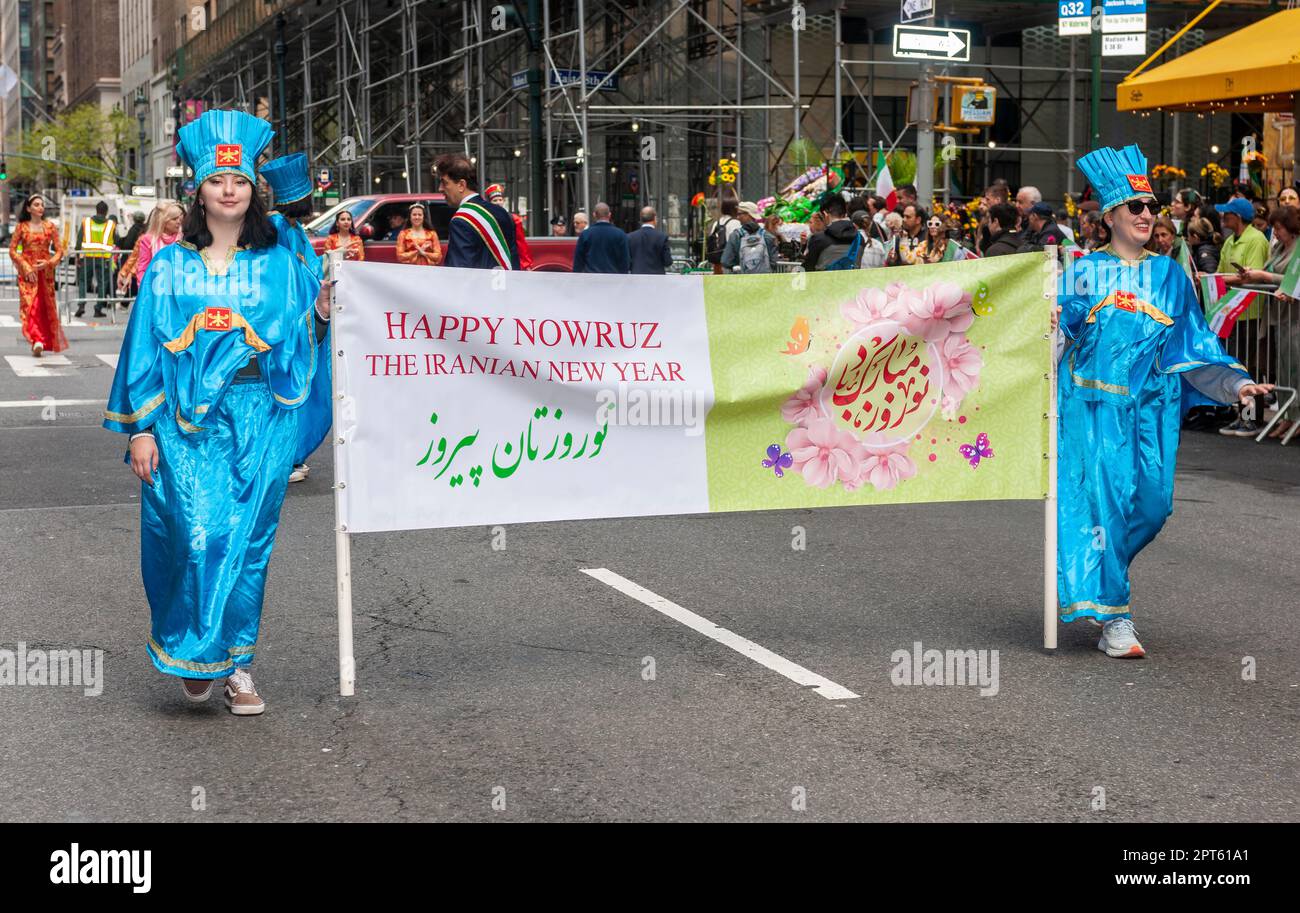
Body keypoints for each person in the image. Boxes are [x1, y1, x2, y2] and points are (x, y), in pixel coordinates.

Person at [103, 109, 329, 714]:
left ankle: (238, 664)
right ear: (197, 191)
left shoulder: (279, 261)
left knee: (250, 543)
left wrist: (330, 305)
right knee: (197, 536)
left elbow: (311, 329)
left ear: (252, 191)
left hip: (263, 415)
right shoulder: (170, 266)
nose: (229, 191)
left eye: (240, 182)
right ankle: (193, 645)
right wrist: (141, 430)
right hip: (184, 423)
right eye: (216, 182)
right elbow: (144, 348)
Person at [1055, 143, 1271, 658]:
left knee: (1152, 507)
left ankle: (1086, 570)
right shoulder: (1081, 272)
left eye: (1152, 206)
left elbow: (1192, 343)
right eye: (1137, 207)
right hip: (1093, 408)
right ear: (1110, 215)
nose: (1149, 214)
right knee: (1105, 508)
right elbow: (1054, 341)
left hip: (1151, 411)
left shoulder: (1171, 275)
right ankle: (1115, 617)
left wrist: (1236, 385)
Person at [262, 152, 333, 486]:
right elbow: (278, 277)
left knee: (309, 383)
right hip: (289, 325)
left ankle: (294, 453)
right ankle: (285, 456)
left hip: (310, 319)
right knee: (291, 384)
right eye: (307, 197)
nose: (311, 201)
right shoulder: (275, 227)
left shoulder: (295, 228)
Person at [434, 152, 519, 270]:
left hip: (479, 288)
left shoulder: (461, 221)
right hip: (507, 286)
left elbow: (460, 271)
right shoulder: (502, 213)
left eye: (444, 183)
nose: (440, 188)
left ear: (461, 185)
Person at [9, 193, 66, 357]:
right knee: (30, 306)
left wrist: (49, 263)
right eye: (36, 204)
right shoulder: (21, 227)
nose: (40, 207)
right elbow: (13, 250)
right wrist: (25, 266)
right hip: (28, 274)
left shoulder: (50, 227)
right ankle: (36, 340)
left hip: (45, 273)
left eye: (41, 204)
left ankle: (40, 340)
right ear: (28, 208)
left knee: (43, 307)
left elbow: (59, 250)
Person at [117, 202, 183, 298]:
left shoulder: (184, 238)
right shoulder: (147, 239)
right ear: (163, 220)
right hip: (156, 292)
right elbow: (140, 262)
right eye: (174, 219)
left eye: (180, 219)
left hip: (179, 292)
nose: (178, 222)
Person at [77, 200, 118, 318]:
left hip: (88, 257)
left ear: (96, 210)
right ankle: (98, 308)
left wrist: (77, 255)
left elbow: (80, 240)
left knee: (83, 281)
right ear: (106, 212)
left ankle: (81, 305)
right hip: (103, 258)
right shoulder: (111, 225)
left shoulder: (86, 222)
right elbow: (115, 240)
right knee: (102, 283)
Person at [803, 193, 861, 271]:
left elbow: (808, 268)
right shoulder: (860, 238)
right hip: (851, 282)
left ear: (825, 214)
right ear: (845, 213)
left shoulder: (818, 239)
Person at [721, 201, 778, 274]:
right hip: (764, 280)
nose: (737, 217)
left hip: (742, 281)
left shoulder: (736, 236)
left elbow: (726, 261)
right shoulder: (767, 235)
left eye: (739, 214)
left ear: (748, 214)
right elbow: (774, 262)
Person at [572, 201, 630, 273]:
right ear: (609, 215)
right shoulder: (620, 234)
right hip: (613, 279)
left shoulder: (585, 234)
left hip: (591, 279)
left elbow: (578, 261)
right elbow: (625, 261)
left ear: (594, 215)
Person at [484, 183, 532, 270]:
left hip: (511, 261)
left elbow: (521, 243)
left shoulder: (514, 219)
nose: (498, 202)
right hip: (491, 261)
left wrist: (526, 264)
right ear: (489, 203)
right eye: (495, 200)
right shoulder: (484, 219)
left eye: (500, 199)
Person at [627, 205, 672, 275]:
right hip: (656, 278)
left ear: (641, 219)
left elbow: (627, 261)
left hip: (636, 277)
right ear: (655, 218)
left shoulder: (630, 237)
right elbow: (667, 262)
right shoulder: (662, 237)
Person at [395, 202, 443, 266]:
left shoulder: (432, 234)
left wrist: (424, 253)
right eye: (414, 215)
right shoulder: (403, 234)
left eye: (420, 215)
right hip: (410, 269)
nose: (417, 217)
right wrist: (418, 251)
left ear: (423, 217)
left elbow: (438, 256)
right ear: (410, 217)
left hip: (429, 270)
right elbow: (400, 256)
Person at [706, 193, 741, 275]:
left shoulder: (717, 223)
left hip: (717, 261)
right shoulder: (735, 223)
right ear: (734, 208)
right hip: (730, 261)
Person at [117, 211, 147, 305]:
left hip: (136, 262)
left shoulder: (134, 230)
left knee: (134, 283)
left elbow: (128, 245)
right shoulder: (146, 229)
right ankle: (125, 303)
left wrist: (125, 271)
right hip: (140, 264)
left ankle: (124, 303)